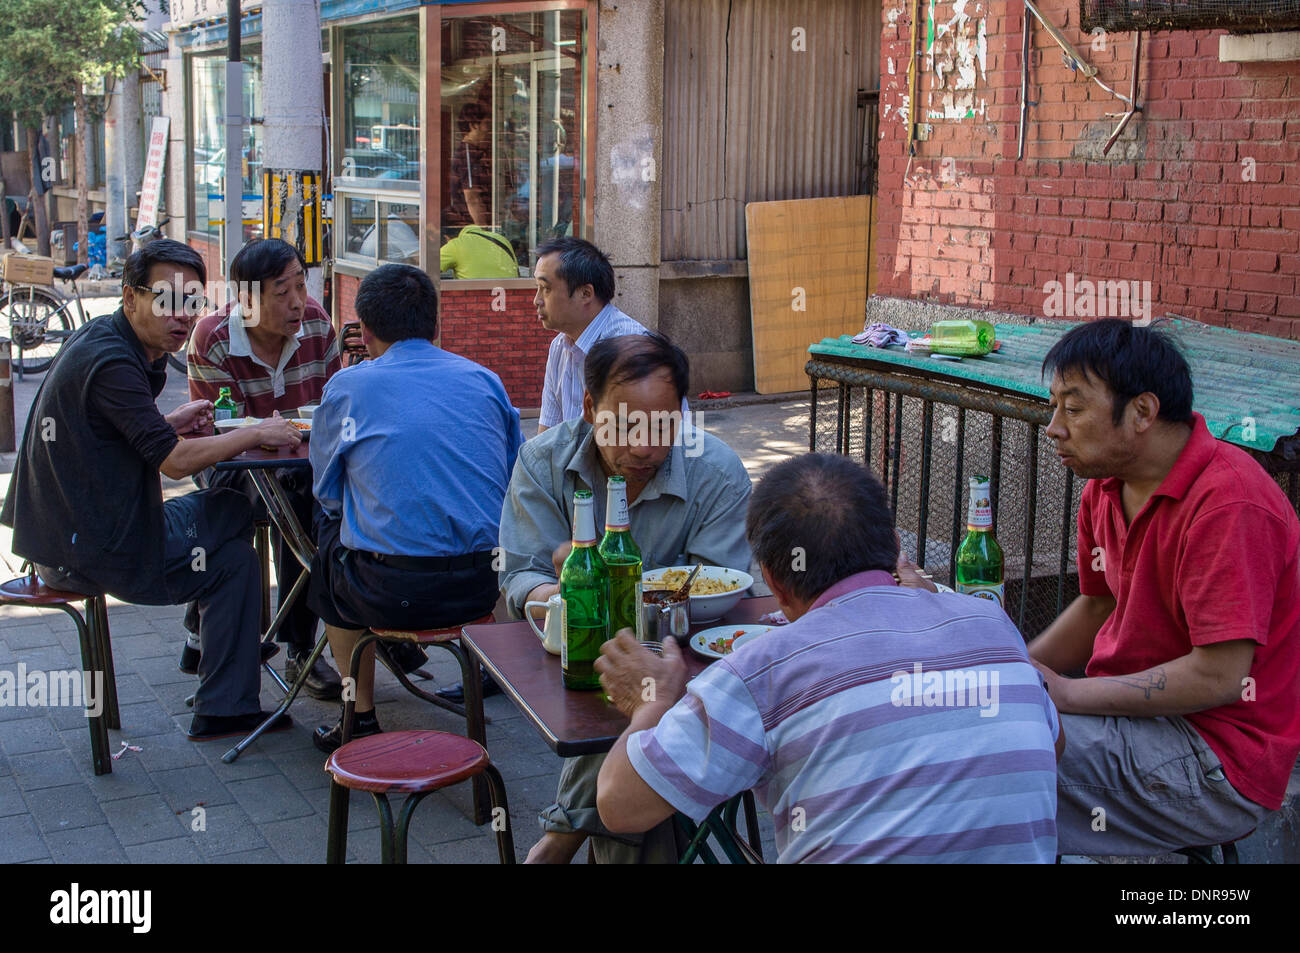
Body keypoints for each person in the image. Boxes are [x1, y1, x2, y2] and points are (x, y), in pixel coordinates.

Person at [595, 453, 1063, 863]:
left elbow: (619, 805)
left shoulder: (765, 671)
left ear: (774, 581)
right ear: (896, 549)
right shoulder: (993, 625)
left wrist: (650, 704)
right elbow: (1053, 743)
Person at [0, 239, 303, 739]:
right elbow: (175, 463)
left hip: (65, 535)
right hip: (94, 547)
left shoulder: (113, 340)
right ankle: (227, 661)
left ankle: (221, 698)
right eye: (165, 299)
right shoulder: (115, 362)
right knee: (234, 511)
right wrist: (254, 433)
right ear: (129, 298)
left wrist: (168, 421)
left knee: (234, 555)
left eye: (191, 302)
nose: (180, 315)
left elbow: (113, 432)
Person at [1029, 318, 1300, 856]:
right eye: (1055, 406)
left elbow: (1220, 676)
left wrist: (1065, 693)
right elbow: (1097, 605)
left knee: (985, 755)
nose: (1054, 426)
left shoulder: (1229, 502)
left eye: (1074, 408)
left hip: (1217, 758)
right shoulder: (1104, 490)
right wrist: (1012, 670)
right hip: (1129, 721)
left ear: (1143, 412)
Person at [497, 333, 753, 863]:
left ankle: (562, 835)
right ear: (589, 408)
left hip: (691, 668)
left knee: (644, 703)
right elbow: (520, 576)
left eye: (663, 424)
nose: (644, 446)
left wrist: (598, 586)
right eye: (627, 423)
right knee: (636, 720)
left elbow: (716, 585)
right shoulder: (544, 462)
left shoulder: (717, 471)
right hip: (582, 661)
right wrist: (565, 593)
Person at [306, 263, 523, 752]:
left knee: (328, 540)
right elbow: (512, 474)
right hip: (483, 586)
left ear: (364, 330)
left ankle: (358, 716)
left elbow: (325, 490)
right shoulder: (486, 380)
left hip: (387, 590)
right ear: (435, 324)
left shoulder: (348, 386)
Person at [187, 238, 343, 699]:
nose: (298, 302)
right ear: (247, 298)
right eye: (282, 292)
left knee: (317, 499)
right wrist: (263, 432)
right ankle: (236, 636)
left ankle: (301, 649)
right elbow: (217, 431)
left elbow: (334, 405)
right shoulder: (213, 339)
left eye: (301, 285)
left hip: (302, 464)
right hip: (231, 463)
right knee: (289, 500)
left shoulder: (316, 323)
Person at [532, 237, 658, 433]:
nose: (537, 300)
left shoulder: (632, 349)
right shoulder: (560, 347)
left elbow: (647, 447)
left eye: (546, 289)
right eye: (537, 288)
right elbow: (545, 439)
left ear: (585, 294)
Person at [439, 224, 518, 279]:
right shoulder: (502, 239)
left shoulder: (455, 244)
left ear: (447, 238)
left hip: (474, 296)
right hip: (509, 294)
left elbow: (431, 268)